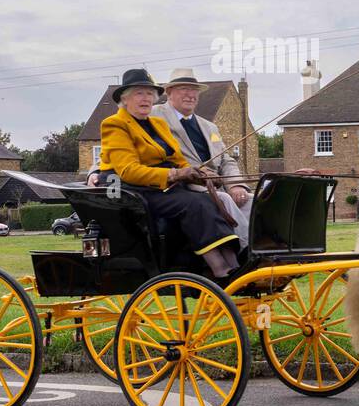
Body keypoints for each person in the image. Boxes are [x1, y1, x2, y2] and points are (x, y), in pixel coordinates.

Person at [97, 68, 241, 278]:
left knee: (209, 200)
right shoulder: (114, 124)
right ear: (125, 99)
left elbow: (177, 159)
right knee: (194, 204)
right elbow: (128, 171)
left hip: (163, 188)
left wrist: (199, 172)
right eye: (139, 93)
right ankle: (220, 268)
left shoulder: (158, 124)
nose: (145, 98)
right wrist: (175, 175)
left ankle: (236, 263)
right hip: (134, 191)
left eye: (149, 94)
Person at [152, 68, 252, 245]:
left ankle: (273, 249)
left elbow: (226, 160)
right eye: (184, 89)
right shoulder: (153, 115)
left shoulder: (209, 127)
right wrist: (96, 171)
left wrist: (236, 185)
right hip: (186, 187)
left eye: (194, 90)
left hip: (217, 185)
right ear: (169, 92)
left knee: (251, 200)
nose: (191, 95)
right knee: (225, 199)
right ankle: (247, 252)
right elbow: (120, 143)